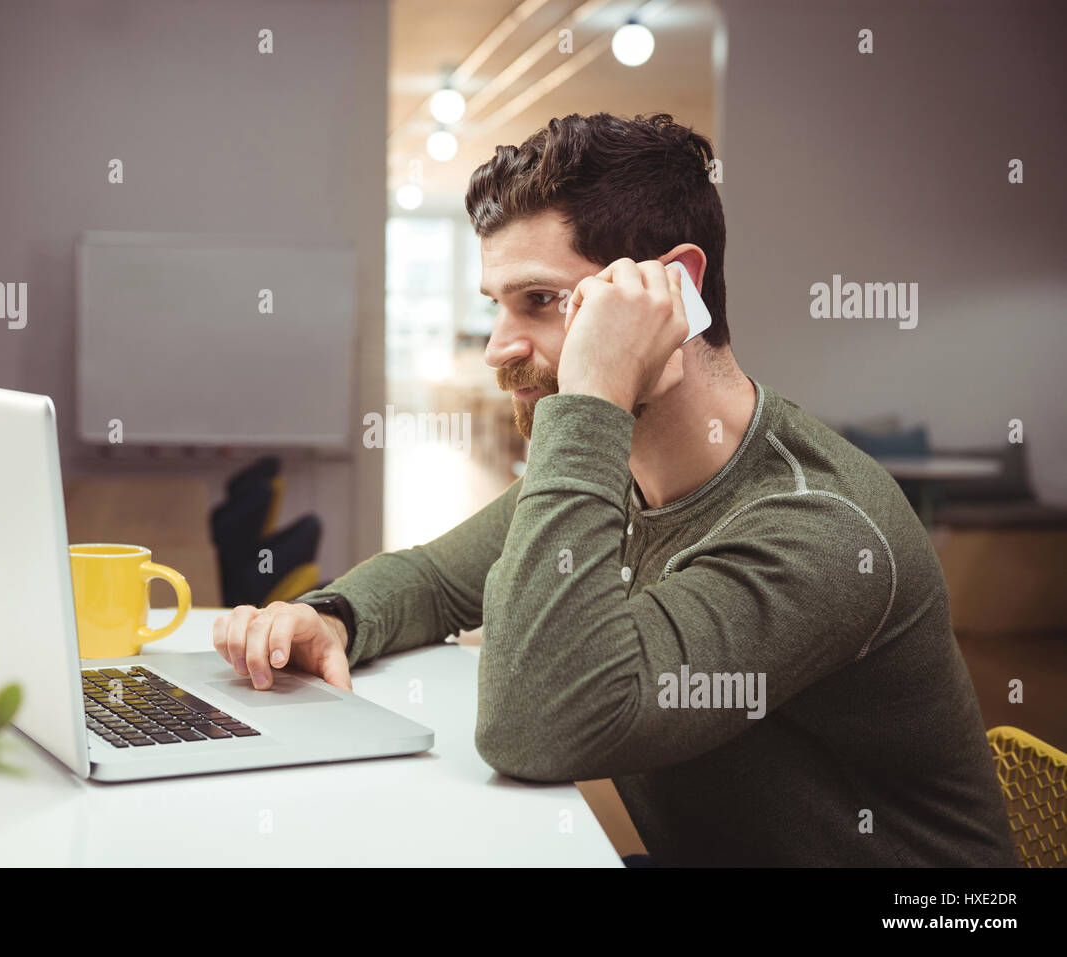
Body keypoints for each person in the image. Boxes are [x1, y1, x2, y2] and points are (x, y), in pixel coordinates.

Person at [211, 112, 1017, 867]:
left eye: (542, 301)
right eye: (497, 306)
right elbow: (432, 577)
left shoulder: (819, 526)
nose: (498, 347)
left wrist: (589, 400)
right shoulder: (630, 474)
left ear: (676, 293)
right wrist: (330, 617)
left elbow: (534, 725)